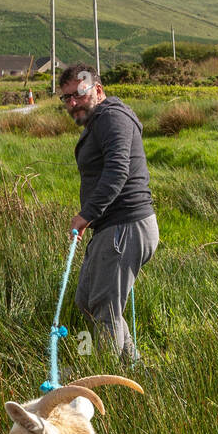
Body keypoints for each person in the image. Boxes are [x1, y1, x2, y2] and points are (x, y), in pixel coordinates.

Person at [59, 63, 158, 362]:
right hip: (112, 227)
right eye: (66, 98)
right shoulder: (101, 120)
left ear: (98, 90)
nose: (72, 102)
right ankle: (133, 367)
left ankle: (108, 389)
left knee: (105, 310)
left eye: (79, 94)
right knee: (88, 300)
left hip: (125, 226)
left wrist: (86, 215)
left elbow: (117, 171)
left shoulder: (111, 118)